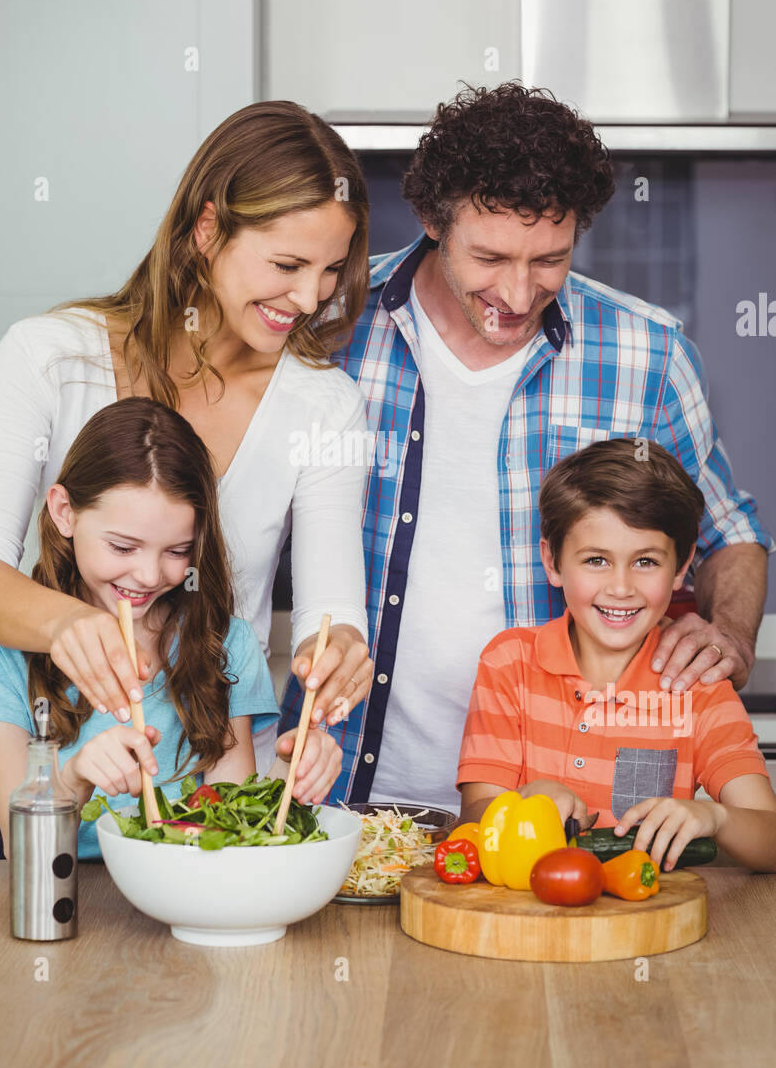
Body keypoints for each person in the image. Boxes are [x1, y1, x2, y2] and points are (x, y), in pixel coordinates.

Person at [277, 81, 774, 812]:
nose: (516, 293)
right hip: (345, 792)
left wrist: (729, 634)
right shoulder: (328, 331)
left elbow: (730, 533)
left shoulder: (648, 354)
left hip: (557, 818)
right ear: (431, 219)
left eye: (549, 259)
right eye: (491, 256)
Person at [0, 101, 375, 774]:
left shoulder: (325, 407)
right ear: (208, 229)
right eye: (287, 264)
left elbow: (331, 613)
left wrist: (340, 649)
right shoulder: (51, 359)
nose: (309, 297)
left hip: (211, 790)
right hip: (45, 786)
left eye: (331, 270)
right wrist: (68, 625)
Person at [0, 399, 344, 861]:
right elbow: (23, 852)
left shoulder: (226, 646)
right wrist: (76, 775)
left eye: (177, 551)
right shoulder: (0, 656)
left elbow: (231, 834)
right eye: (122, 547)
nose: (146, 575)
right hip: (61, 898)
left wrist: (291, 769)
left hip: (172, 903)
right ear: (64, 512)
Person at [456, 439, 776, 872]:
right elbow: (473, 819)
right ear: (553, 562)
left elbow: (770, 840)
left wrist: (715, 817)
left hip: (647, 923)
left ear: (681, 567)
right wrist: (522, 803)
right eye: (596, 560)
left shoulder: (699, 687)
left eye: (645, 562)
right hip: (524, 918)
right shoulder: (508, 664)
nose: (621, 587)